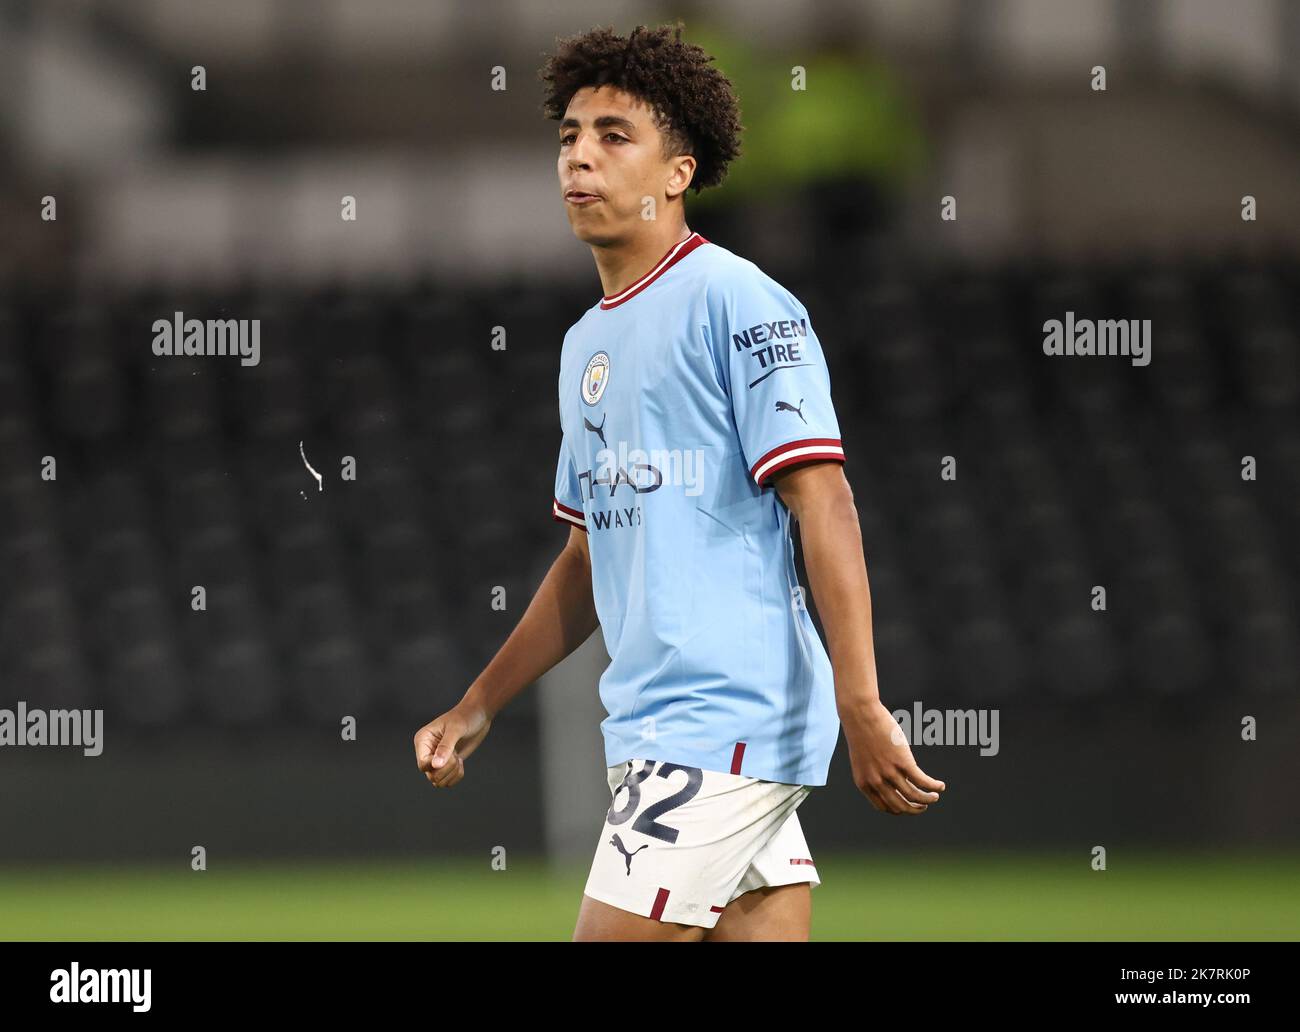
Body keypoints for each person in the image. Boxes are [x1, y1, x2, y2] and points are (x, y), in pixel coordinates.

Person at [414, 22, 945, 942]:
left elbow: (823, 499)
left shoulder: (738, 301)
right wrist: (478, 704)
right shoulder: (589, 342)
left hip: (717, 721)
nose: (580, 157)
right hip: (666, 725)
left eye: (614, 136)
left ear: (678, 172)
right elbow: (589, 555)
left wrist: (862, 700)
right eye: (570, 136)